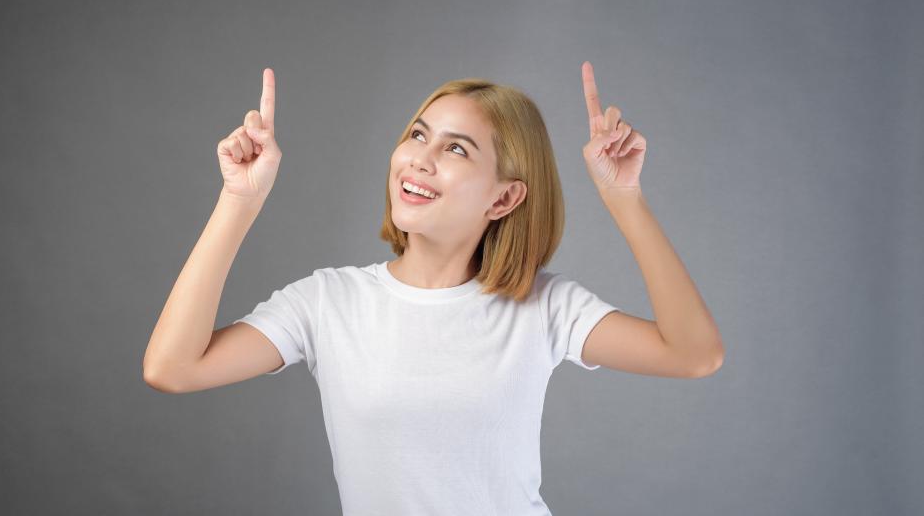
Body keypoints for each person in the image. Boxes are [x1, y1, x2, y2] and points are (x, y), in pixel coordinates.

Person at [143, 65, 725, 515]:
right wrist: (239, 201)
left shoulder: (543, 307)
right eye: (419, 135)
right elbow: (172, 368)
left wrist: (626, 200)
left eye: (455, 149)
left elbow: (694, 354)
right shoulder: (327, 302)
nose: (419, 159)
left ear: (504, 198)